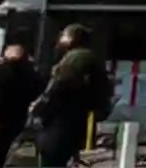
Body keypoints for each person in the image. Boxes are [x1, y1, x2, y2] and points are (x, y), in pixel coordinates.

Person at [33, 24, 112, 168]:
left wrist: (39, 106)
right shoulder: (85, 57)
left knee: (51, 161)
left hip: (62, 121)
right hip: (73, 120)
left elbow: (59, 86)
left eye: (63, 36)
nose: (60, 40)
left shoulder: (76, 58)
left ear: (72, 38)